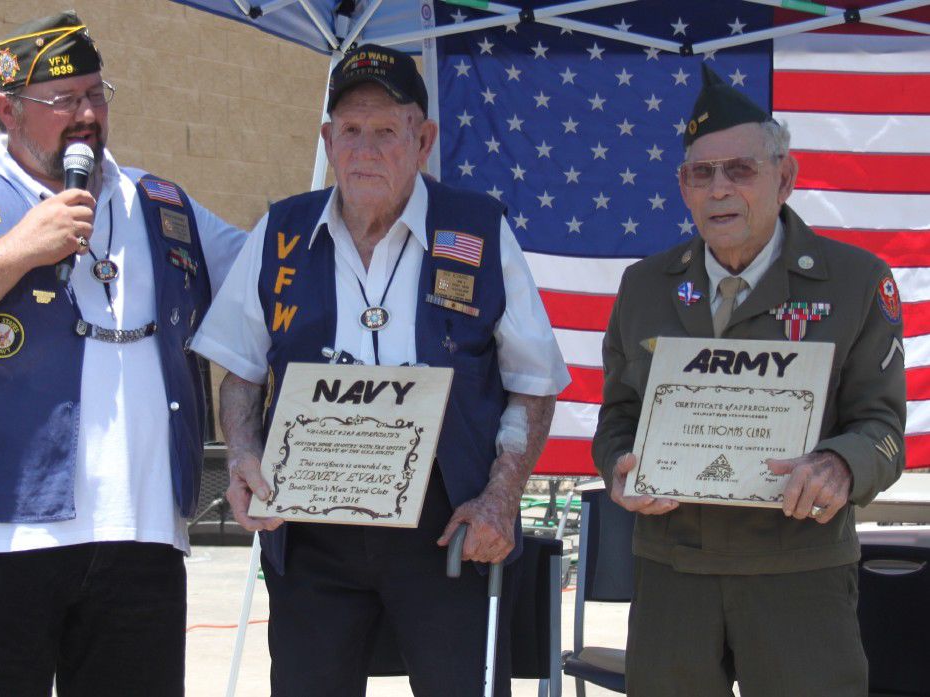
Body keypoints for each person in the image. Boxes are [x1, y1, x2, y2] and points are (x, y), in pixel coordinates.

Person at [0, 12, 244, 697]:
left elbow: (260, 283)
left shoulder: (159, 204)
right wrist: (17, 249)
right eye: (63, 101)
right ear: (7, 110)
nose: (87, 115)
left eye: (96, 95)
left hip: (142, 538)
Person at [192, 44, 569, 697]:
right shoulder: (281, 232)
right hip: (311, 528)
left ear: (423, 140)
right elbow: (243, 371)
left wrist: (501, 497)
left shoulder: (477, 229)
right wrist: (245, 453)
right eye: (351, 131)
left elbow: (533, 383)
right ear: (327, 140)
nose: (365, 149)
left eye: (386, 131)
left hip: (446, 524)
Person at [592, 65, 906, 696]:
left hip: (800, 573)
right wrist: (620, 466)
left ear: (783, 177)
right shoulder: (644, 287)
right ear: (682, 187)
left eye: (740, 169)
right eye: (699, 173)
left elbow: (883, 427)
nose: (718, 190)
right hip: (673, 571)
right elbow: (618, 416)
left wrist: (841, 466)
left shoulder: (855, 284)